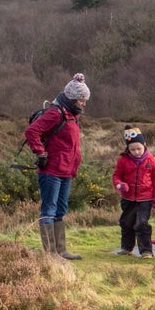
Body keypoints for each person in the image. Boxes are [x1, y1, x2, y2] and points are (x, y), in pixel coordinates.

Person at [25, 73, 89, 260]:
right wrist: (40, 152)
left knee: (60, 210)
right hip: (51, 170)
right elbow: (32, 131)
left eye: (85, 100)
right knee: (49, 210)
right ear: (72, 99)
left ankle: (61, 250)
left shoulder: (72, 114)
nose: (84, 103)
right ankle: (51, 254)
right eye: (81, 100)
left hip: (66, 170)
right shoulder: (56, 112)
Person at [112, 126, 155, 258]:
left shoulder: (152, 161)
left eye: (138, 148)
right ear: (128, 149)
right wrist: (120, 184)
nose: (136, 152)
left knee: (141, 224)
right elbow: (116, 176)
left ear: (144, 144)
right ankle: (127, 248)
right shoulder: (122, 160)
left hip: (145, 198)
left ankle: (146, 251)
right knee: (126, 222)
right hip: (127, 198)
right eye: (132, 149)